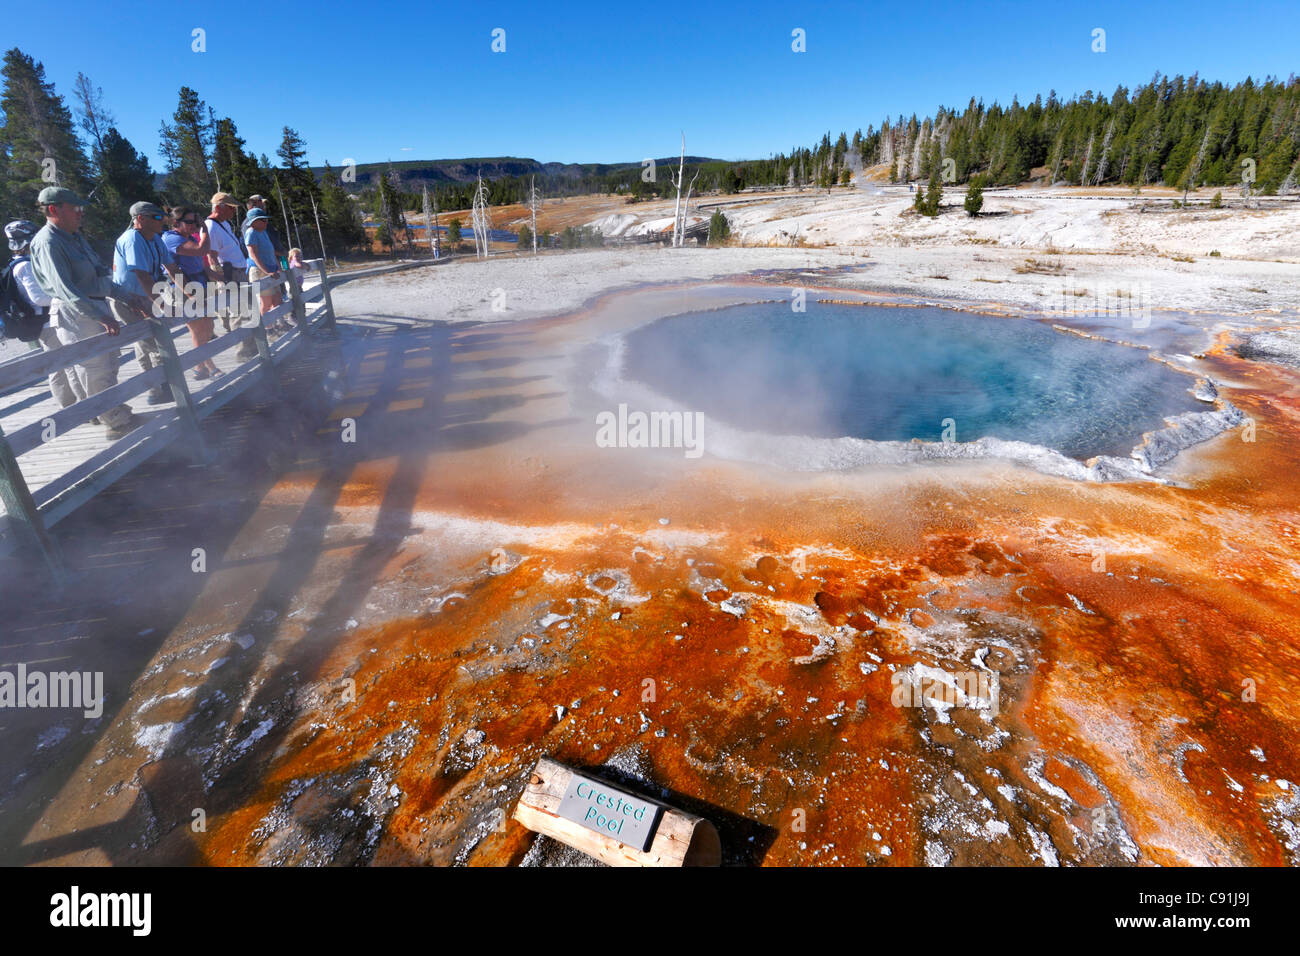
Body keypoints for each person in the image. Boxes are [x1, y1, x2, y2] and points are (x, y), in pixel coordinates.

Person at [28, 186, 148, 439]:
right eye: (76, 208)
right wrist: (99, 316)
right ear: (53, 209)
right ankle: (114, 423)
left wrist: (127, 297)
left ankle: (114, 411)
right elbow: (65, 289)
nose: (81, 213)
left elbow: (98, 277)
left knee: (108, 363)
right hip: (77, 312)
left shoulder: (74, 236)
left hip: (94, 306)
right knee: (94, 368)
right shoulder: (48, 242)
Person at [5, 219, 88, 412]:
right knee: (70, 364)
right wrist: (65, 294)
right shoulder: (26, 266)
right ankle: (86, 407)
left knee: (56, 366)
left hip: (41, 324)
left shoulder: (15, 264)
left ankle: (67, 405)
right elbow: (38, 298)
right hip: (48, 323)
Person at [112, 201, 178, 405]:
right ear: (140, 219)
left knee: (150, 343)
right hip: (129, 300)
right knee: (151, 343)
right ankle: (160, 389)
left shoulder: (155, 239)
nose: (162, 221)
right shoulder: (132, 239)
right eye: (157, 217)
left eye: (163, 217)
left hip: (147, 296)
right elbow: (141, 274)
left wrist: (192, 293)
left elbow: (172, 268)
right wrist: (161, 305)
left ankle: (159, 388)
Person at [163, 206, 222, 381]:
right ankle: (209, 368)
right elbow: (202, 251)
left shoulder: (188, 238)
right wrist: (204, 228)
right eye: (189, 222)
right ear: (176, 223)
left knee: (208, 327)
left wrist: (218, 276)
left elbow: (199, 263)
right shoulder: (171, 239)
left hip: (200, 285)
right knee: (198, 329)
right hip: (184, 288)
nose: (194, 225)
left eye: (195, 222)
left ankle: (200, 366)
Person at [203, 192, 248, 341]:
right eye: (230, 207)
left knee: (245, 310)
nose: (233, 211)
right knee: (237, 311)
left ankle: (249, 346)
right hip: (230, 273)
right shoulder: (210, 226)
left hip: (238, 271)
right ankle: (243, 351)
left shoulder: (224, 223)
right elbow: (212, 256)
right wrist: (222, 279)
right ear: (218, 207)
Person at [243, 208, 286, 336]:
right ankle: (268, 329)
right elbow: (254, 255)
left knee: (277, 299)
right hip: (260, 271)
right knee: (266, 302)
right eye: (263, 220)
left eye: (266, 219)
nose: (266, 222)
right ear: (254, 221)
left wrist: (278, 267)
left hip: (271, 269)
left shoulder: (263, 232)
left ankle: (278, 324)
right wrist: (267, 271)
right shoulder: (251, 233)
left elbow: (271, 252)